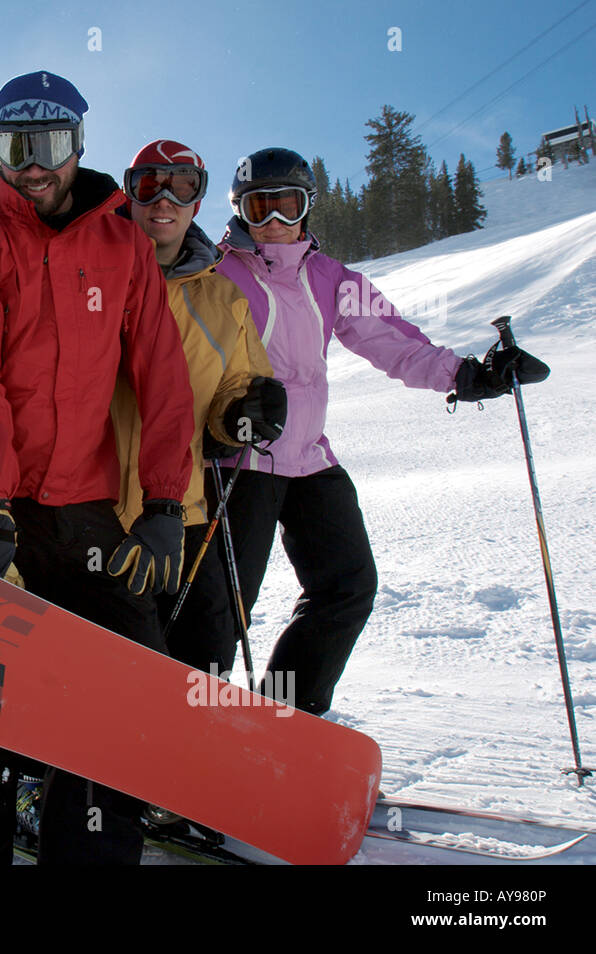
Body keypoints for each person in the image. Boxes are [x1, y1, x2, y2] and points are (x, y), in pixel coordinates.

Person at [0, 70, 195, 865]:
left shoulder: (123, 243)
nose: (31, 165)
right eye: (14, 146)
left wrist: (161, 502)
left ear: (78, 144)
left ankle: (89, 845)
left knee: (126, 681)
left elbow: (162, 371)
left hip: (86, 506)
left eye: (46, 145)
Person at [213, 147, 531, 714]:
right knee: (222, 610)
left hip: (310, 458)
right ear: (240, 211)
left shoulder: (333, 278)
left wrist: (468, 375)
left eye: (289, 206)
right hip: (239, 458)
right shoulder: (216, 271)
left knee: (346, 585)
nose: (276, 224)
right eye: (261, 209)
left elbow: (392, 340)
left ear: (308, 207)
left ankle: (284, 717)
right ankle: (170, 739)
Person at [111, 138, 285, 678]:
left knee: (207, 644)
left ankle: (192, 756)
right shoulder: (90, 281)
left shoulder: (222, 299)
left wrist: (243, 414)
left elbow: (239, 380)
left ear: (199, 200)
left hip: (180, 510)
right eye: (148, 184)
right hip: (92, 511)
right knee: (119, 658)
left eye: (182, 186)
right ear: (129, 195)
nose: (164, 199)